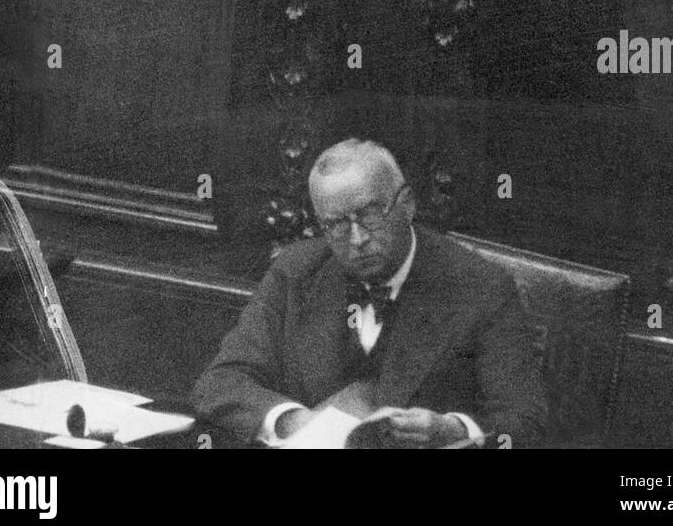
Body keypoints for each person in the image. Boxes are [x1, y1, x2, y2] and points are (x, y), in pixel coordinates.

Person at [191, 139, 547, 448]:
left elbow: (525, 422)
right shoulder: (297, 271)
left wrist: (452, 430)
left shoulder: (481, 287)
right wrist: (296, 423)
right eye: (336, 224)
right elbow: (219, 383)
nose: (357, 239)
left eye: (371, 215)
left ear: (406, 204)